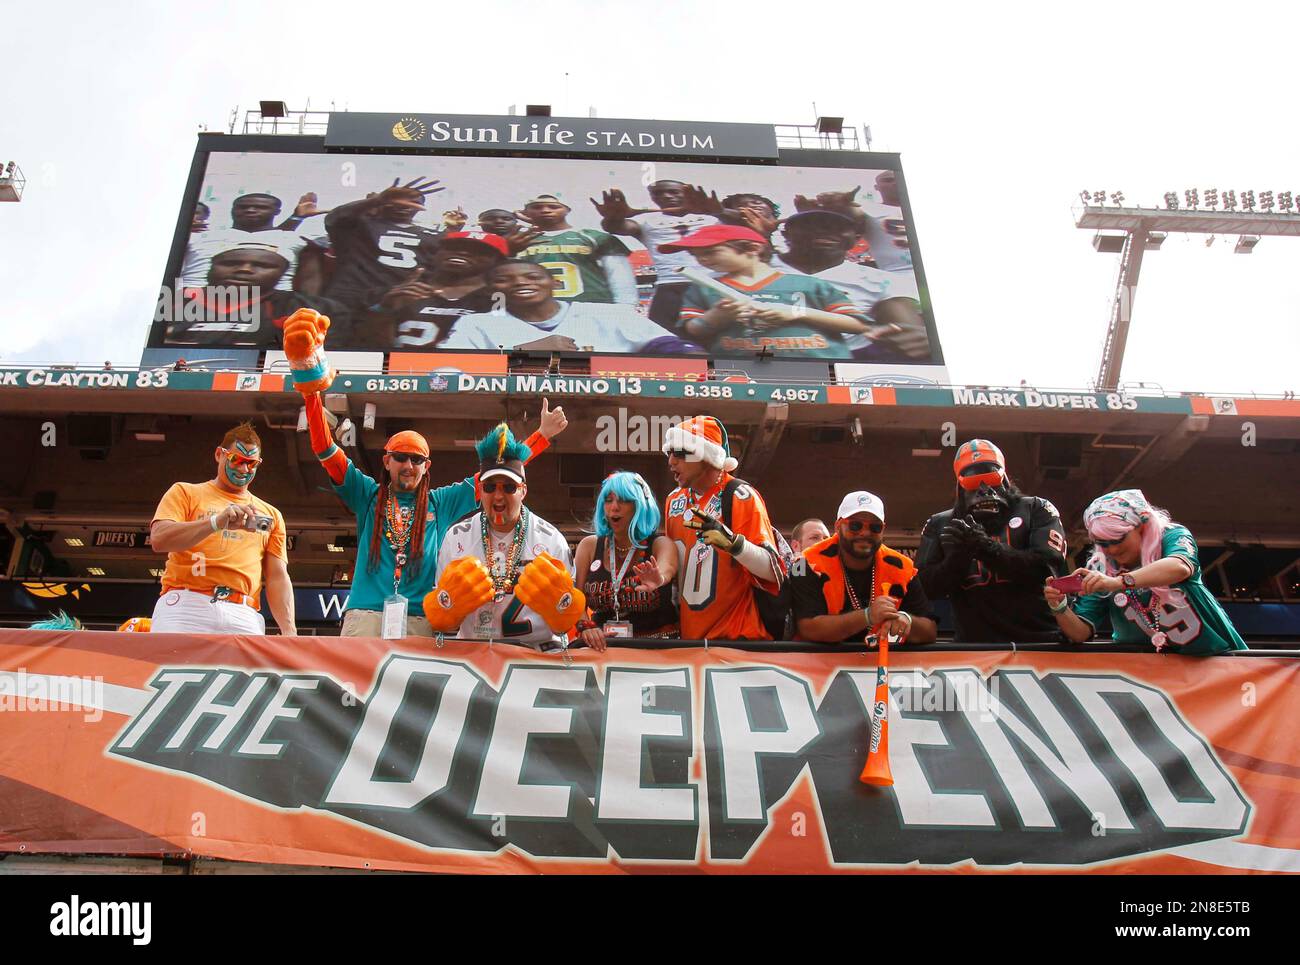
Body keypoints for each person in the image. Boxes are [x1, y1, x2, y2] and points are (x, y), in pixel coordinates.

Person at [282, 308, 568, 637]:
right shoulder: (367, 494)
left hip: (421, 619)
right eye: (400, 458)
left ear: (427, 466)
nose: (408, 465)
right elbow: (324, 450)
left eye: (417, 460)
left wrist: (541, 436)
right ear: (386, 461)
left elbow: (502, 471)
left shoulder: (441, 502)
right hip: (366, 614)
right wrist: (310, 388)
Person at [423, 423, 585, 650]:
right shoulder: (457, 537)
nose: (498, 496)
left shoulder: (551, 540)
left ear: (523, 491)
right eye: (490, 487)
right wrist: (449, 607)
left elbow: (565, 625)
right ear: (480, 490)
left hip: (533, 657)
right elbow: (441, 624)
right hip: (475, 655)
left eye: (509, 487)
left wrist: (560, 609)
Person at [1044, 490, 1246, 654]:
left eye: (1118, 538)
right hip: (1149, 676)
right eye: (1101, 543)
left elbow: (1179, 567)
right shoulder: (1100, 567)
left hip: (1219, 663)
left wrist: (1116, 582)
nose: (1112, 549)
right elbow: (1079, 633)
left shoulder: (1170, 536)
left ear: (1142, 527)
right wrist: (1059, 607)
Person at [148, 422, 296, 636]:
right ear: (220, 454)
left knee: (244, 671)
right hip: (187, 604)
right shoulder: (185, 492)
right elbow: (160, 538)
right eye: (237, 460)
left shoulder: (271, 514)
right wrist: (216, 522)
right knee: (175, 668)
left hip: (243, 609)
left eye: (251, 464)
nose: (244, 469)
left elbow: (277, 576)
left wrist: (289, 630)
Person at [916, 439, 1067, 643]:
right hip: (974, 646)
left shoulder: (1037, 509)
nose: (984, 490)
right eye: (972, 482)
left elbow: (1049, 569)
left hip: (1040, 639)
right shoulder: (940, 523)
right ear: (960, 487)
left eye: (991, 478)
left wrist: (987, 548)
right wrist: (957, 559)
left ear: (1005, 479)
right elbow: (924, 589)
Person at [663, 224, 870, 359]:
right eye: (696, 255)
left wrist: (795, 313)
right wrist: (718, 316)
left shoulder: (809, 284)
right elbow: (695, 329)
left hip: (820, 367)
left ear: (753, 249)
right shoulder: (702, 289)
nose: (702, 260)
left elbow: (859, 325)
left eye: (710, 251)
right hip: (740, 372)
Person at [662, 415, 784, 640]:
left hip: (736, 640)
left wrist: (734, 545)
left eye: (680, 453)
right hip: (690, 642)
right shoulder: (672, 501)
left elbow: (773, 571)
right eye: (669, 453)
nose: (671, 461)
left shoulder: (740, 496)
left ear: (706, 456)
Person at [440, 260, 701, 353]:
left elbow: (673, 349)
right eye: (503, 280)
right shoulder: (476, 323)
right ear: (491, 290)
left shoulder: (607, 313)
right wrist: (521, 352)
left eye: (532, 277)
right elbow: (445, 371)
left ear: (554, 282)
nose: (519, 283)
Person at [772, 209, 929, 361]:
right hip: (767, 354)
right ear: (786, 234)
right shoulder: (755, 268)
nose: (824, 231)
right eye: (810, 225)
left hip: (849, 359)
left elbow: (906, 328)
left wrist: (916, 339)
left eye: (839, 227)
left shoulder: (883, 281)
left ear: (856, 238)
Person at [791, 491, 936, 645]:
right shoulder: (802, 563)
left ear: (883, 530)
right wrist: (867, 616)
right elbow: (806, 628)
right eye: (855, 525)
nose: (865, 533)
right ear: (838, 526)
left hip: (881, 662)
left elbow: (930, 631)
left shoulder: (903, 567)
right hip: (817, 664)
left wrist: (907, 620)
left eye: (875, 527)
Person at [165, 240, 349, 348]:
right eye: (230, 264)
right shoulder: (175, 303)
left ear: (282, 273)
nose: (244, 270)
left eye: (262, 266)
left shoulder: (308, 309)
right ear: (210, 269)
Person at [573, 471, 679, 650]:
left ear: (640, 506)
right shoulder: (589, 546)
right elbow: (574, 599)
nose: (614, 507)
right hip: (605, 649)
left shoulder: (660, 544)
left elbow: (666, 567)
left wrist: (658, 579)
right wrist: (586, 627)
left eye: (623, 500)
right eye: (608, 500)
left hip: (657, 652)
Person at [352, 230, 509, 350]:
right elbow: (365, 347)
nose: (463, 252)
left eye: (479, 250)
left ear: (498, 261)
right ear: (435, 254)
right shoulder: (389, 294)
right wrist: (385, 309)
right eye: (453, 247)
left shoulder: (499, 298)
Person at [592, 180, 719, 326]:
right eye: (658, 193)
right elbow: (615, 227)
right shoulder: (645, 220)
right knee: (664, 336)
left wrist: (720, 211)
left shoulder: (712, 217)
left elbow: (743, 223)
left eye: (673, 192)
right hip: (671, 284)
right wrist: (613, 216)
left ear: (687, 193)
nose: (666, 196)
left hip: (713, 281)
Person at [324, 177, 446, 309]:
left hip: (400, 300)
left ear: (421, 208)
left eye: (413, 203)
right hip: (349, 298)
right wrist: (376, 200)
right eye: (399, 201)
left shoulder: (435, 236)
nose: (404, 205)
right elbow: (334, 218)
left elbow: (439, 270)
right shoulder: (359, 224)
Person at [181, 193, 322, 290]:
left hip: (270, 305)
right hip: (194, 300)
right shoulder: (198, 237)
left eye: (261, 207)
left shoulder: (296, 241)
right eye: (243, 207)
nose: (250, 210)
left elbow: (309, 279)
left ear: (277, 212)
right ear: (232, 209)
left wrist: (297, 218)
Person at [515, 194, 638, 305]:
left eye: (553, 207)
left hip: (592, 305)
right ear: (526, 212)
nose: (545, 210)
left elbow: (619, 275)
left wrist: (626, 306)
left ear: (567, 210)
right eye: (536, 207)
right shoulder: (517, 240)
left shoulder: (594, 237)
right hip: (534, 308)